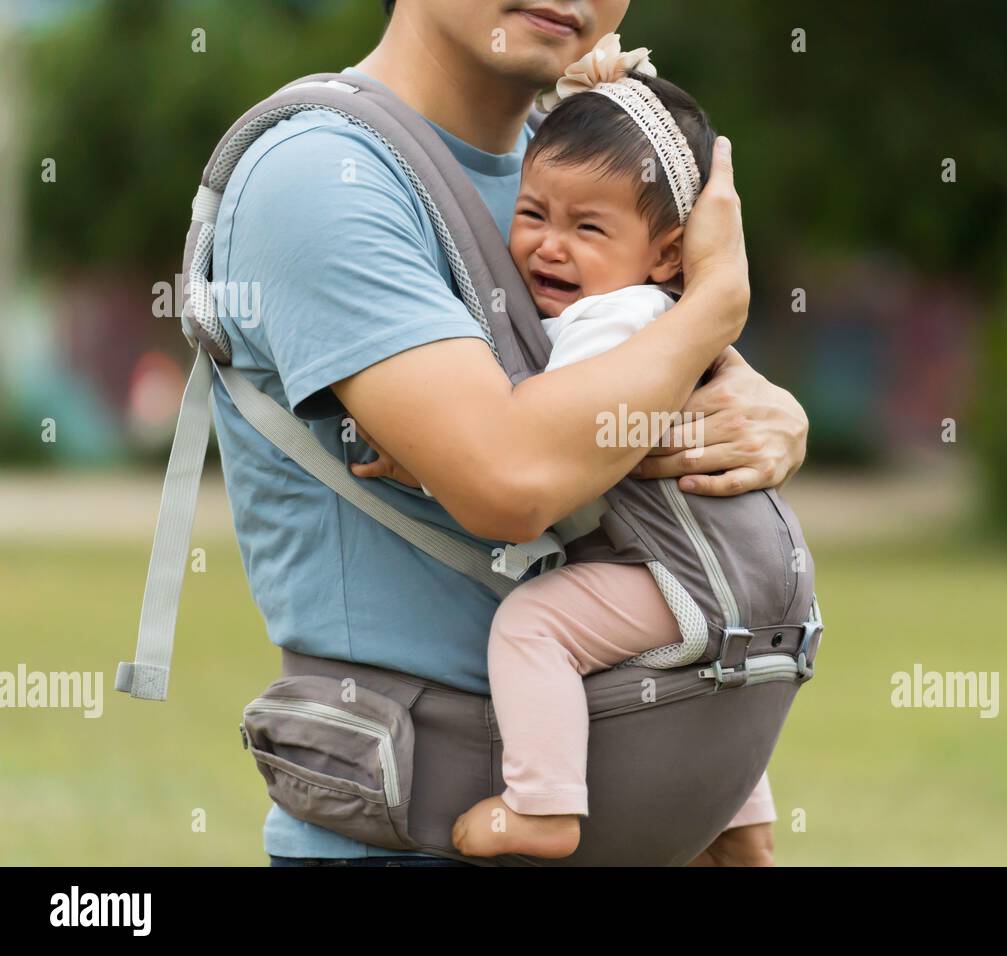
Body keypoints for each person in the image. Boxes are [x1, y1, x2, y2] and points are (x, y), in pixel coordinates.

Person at [213, 0, 808, 867]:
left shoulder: (575, 160)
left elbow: (668, 385)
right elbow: (510, 481)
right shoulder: (324, 177)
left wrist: (768, 414)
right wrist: (715, 307)